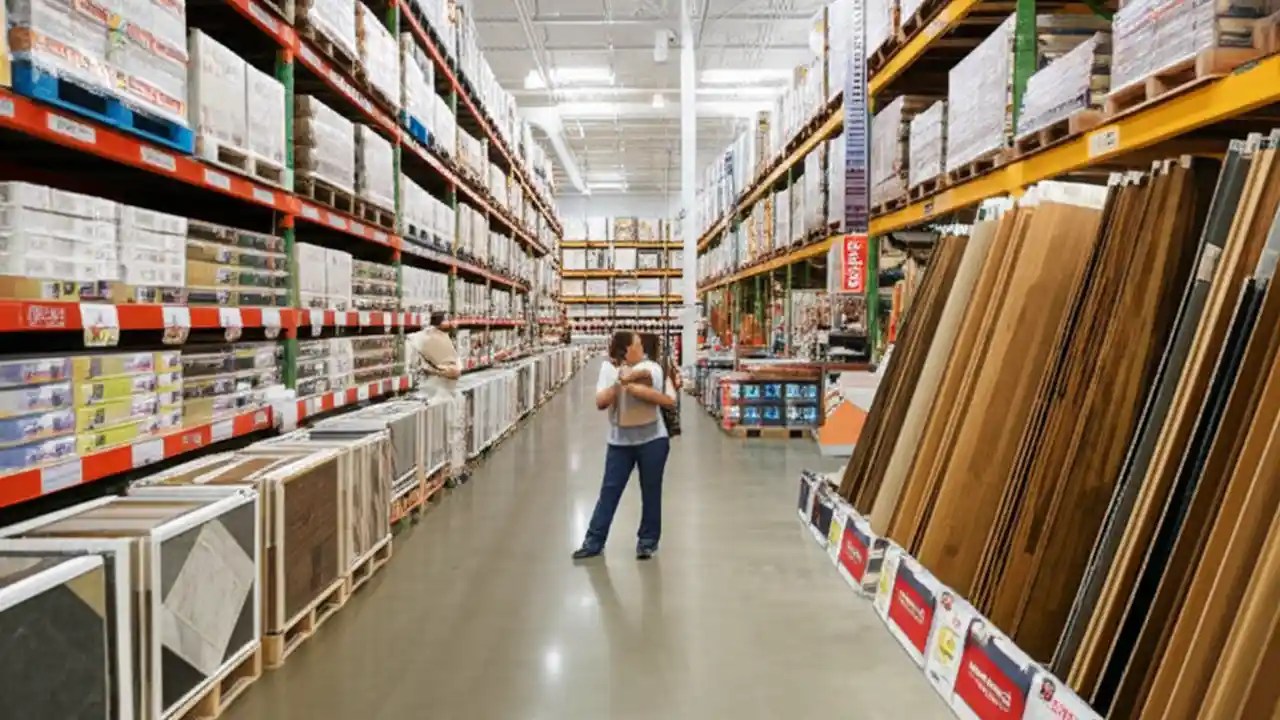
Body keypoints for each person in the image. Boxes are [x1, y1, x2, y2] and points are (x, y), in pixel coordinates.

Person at [573, 330, 675, 561]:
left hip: (653, 440)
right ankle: (594, 541)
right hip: (619, 443)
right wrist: (619, 382)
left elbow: (651, 387)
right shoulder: (608, 370)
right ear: (626, 350)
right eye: (637, 345)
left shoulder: (652, 367)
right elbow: (600, 402)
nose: (642, 349)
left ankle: (647, 542)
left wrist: (630, 379)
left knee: (651, 491)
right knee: (609, 491)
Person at [408, 311, 466, 483]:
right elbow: (454, 373)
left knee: (450, 435)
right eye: (449, 320)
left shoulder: (434, 339)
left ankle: (450, 471)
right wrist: (435, 370)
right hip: (438, 395)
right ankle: (450, 473)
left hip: (439, 394)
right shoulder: (434, 340)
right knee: (448, 435)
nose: (454, 323)